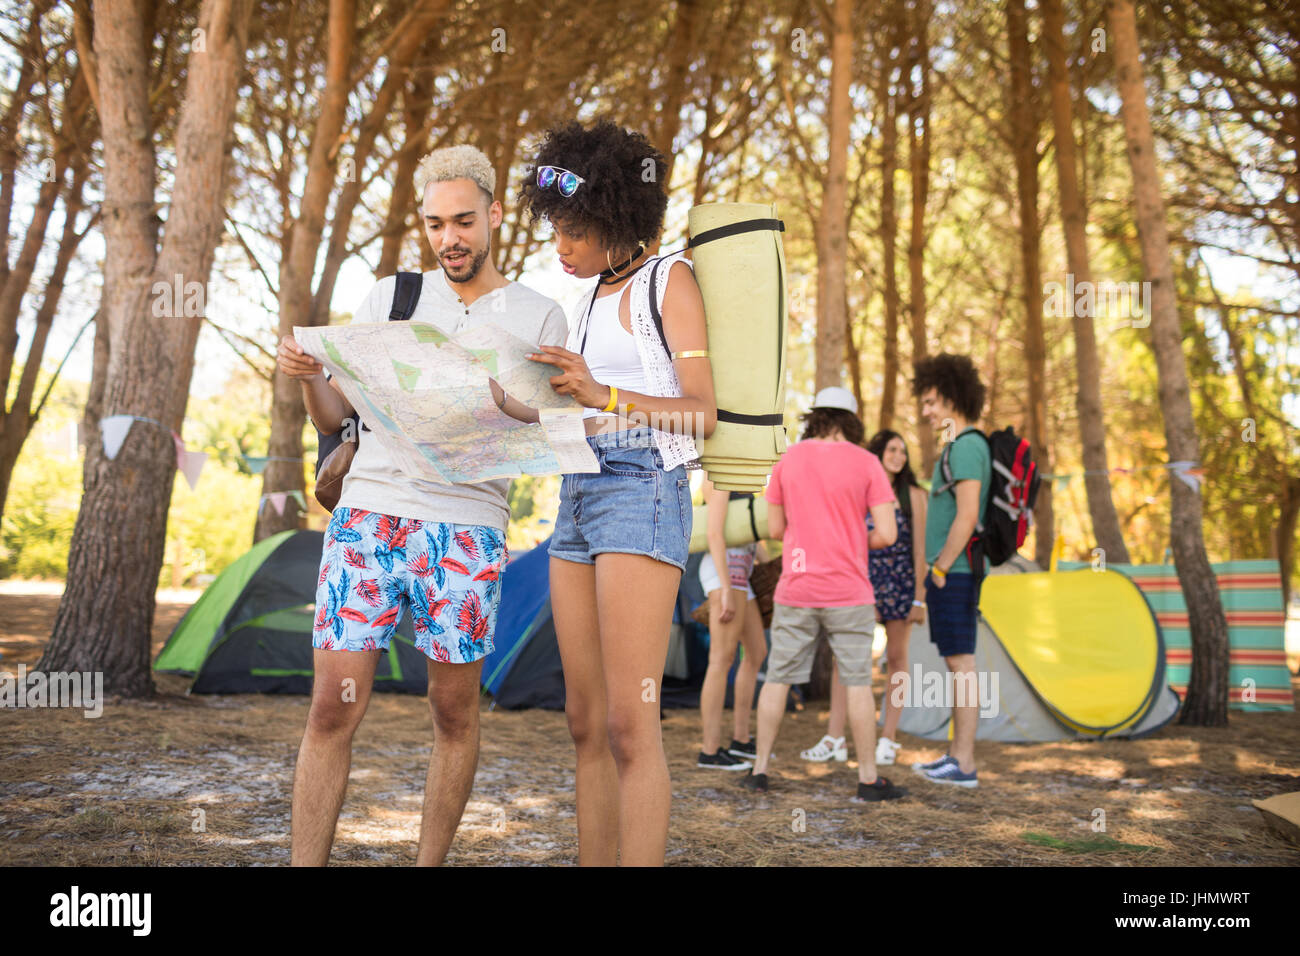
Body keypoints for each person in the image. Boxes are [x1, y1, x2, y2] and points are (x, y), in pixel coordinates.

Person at [281, 145, 568, 865]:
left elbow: (555, 429)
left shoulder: (541, 316)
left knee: (453, 710)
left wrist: (509, 404)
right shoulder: (391, 296)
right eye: (437, 224)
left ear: (495, 215)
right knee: (330, 708)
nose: (451, 240)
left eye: (464, 221)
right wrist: (310, 377)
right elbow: (329, 419)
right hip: (370, 516)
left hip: (468, 528)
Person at [520, 119, 717, 865]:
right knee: (585, 719)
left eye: (574, 229)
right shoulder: (588, 301)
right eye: (555, 229)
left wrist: (602, 391)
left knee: (633, 725)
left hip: (644, 489)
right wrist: (519, 402)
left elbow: (701, 411)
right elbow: (586, 404)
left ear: (616, 216)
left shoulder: (671, 279)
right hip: (578, 492)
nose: (560, 244)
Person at [742, 387, 905, 802]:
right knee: (856, 682)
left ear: (814, 417)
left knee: (777, 677)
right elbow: (887, 533)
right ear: (851, 421)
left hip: (796, 587)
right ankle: (868, 779)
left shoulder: (788, 459)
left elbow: (777, 530)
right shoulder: (868, 463)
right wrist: (851, 536)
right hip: (850, 592)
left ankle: (760, 770)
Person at [801, 430, 927, 767]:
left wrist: (919, 597)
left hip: (901, 584)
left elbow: (919, 550)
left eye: (903, 451)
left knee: (898, 660)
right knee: (848, 660)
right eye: (891, 449)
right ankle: (835, 737)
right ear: (877, 453)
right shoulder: (862, 488)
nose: (898, 456)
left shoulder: (914, 496)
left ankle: (888, 738)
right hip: (862, 584)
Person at [909, 353, 991, 788]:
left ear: (953, 396)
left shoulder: (967, 446)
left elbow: (967, 515)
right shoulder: (958, 446)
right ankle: (957, 757)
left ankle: (964, 764)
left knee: (962, 666)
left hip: (955, 573)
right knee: (957, 665)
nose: (925, 411)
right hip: (950, 573)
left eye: (931, 401)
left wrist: (939, 568)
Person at [696, 478, 769, 769]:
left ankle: (741, 738)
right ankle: (710, 751)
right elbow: (714, 533)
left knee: (756, 652)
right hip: (722, 573)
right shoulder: (719, 476)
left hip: (743, 574)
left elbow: (750, 536)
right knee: (721, 659)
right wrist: (725, 588)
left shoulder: (746, 479)